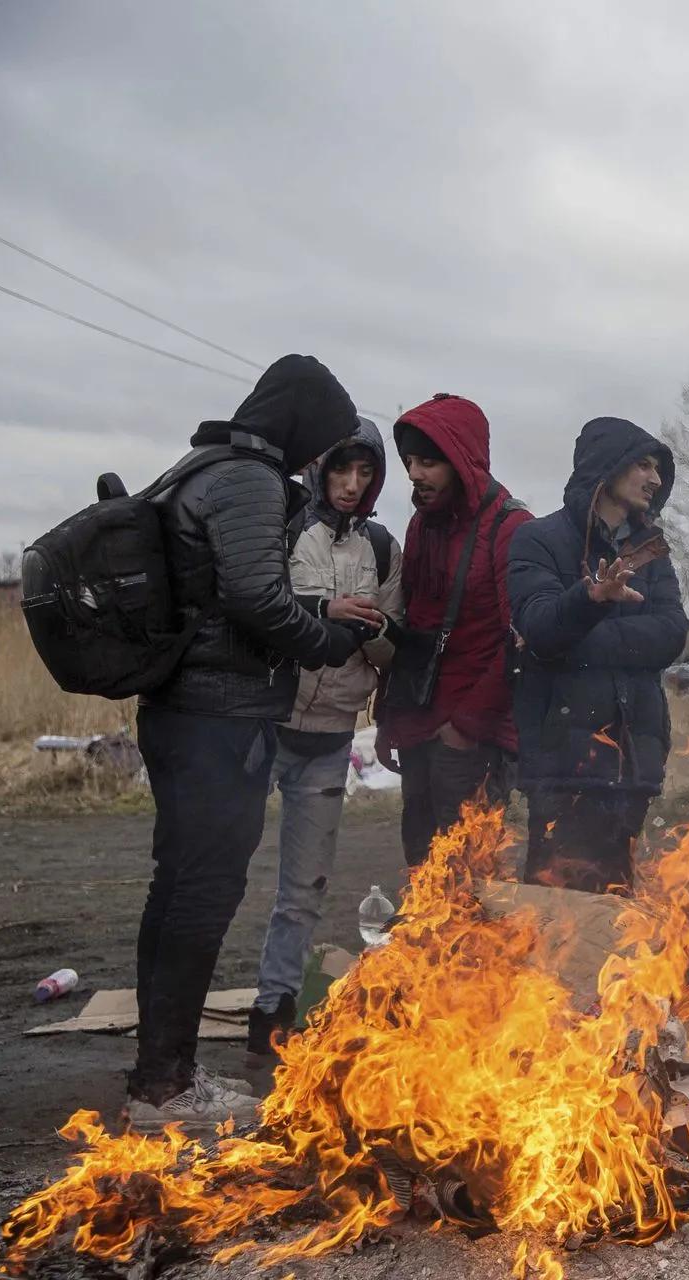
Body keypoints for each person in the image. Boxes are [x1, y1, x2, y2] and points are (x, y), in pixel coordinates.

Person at [132, 355, 369, 1130]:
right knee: (202, 893)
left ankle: (159, 1073)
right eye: (320, 442)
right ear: (296, 421)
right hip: (220, 714)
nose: (317, 460)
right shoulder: (249, 480)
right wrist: (324, 638)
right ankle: (165, 1087)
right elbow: (255, 595)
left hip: (183, 706)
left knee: (178, 886)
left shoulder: (197, 465)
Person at [246, 417, 404, 1066]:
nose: (351, 484)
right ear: (319, 470)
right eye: (341, 470)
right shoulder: (286, 528)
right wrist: (321, 614)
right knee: (221, 873)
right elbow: (255, 612)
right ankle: (177, 1015)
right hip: (263, 724)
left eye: (365, 472)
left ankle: (271, 1014)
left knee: (305, 887)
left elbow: (394, 650)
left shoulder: (384, 548)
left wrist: (373, 628)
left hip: (333, 733)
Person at [508, 417, 689, 893]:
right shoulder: (538, 539)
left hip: (633, 763)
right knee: (557, 922)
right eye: (643, 465)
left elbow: (671, 635)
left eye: (658, 469)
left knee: (616, 920)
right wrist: (589, 600)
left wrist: (580, 640)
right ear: (606, 469)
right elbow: (542, 629)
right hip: (565, 765)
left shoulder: (651, 552)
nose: (655, 479)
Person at [374, 393, 532, 867]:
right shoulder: (423, 524)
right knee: (422, 867)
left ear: (462, 461)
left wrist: (465, 726)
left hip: (472, 737)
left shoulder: (512, 527)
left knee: (470, 880)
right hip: (420, 723)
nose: (415, 474)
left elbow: (522, 643)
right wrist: (391, 717)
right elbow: (414, 627)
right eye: (410, 462)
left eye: (429, 461)